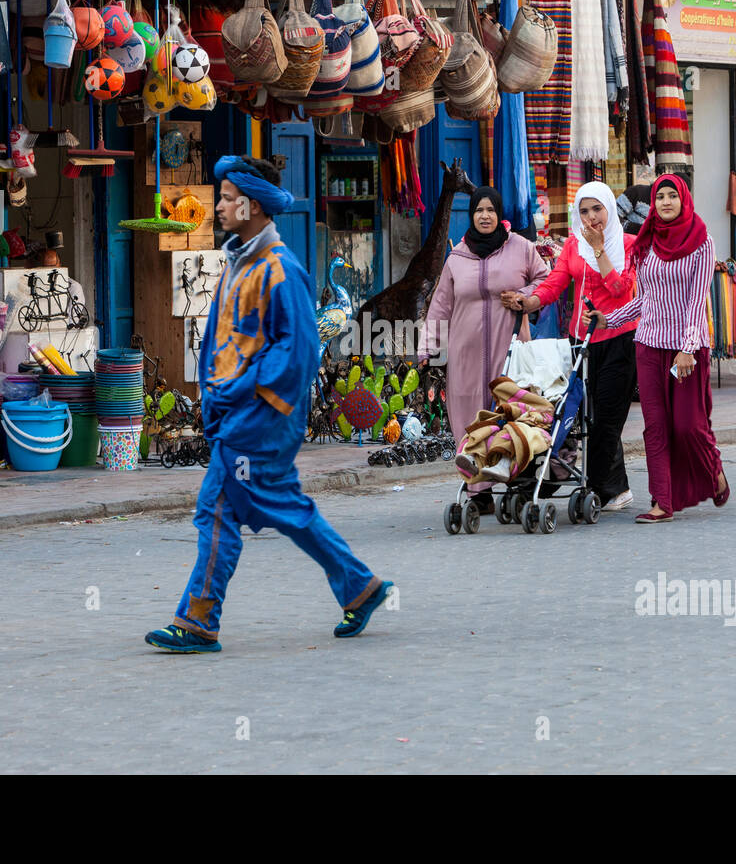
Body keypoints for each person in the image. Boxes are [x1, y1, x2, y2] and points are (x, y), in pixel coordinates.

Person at [145, 155, 392, 653]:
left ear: (252, 206)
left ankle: (198, 621)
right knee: (283, 507)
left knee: (217, 510)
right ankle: (359, 586)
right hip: (240, 417)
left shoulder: (280, 270)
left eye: (228, 198)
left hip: (259, 421)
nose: (219, 207)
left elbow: (297, 353)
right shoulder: (240, 264)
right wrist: (215, 400)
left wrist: (241, 396)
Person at [595, 174, 728, 523]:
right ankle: (662, 502)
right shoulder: (647, 241)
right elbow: (644, 300)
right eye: (660, 197)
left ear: (683, 200)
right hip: (648, 345)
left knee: (688, 426)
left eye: (672, 196)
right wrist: (609, 319)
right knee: (655, 426)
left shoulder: (702, 242)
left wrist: (687, 348)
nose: (666, 202)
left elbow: (697, 301)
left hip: (687, 349)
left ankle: (713, 468)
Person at [503, 181, 638, 511]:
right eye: (584, 211)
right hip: (580, 342)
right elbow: (555, 283)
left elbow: (621, 290)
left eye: (597, 209)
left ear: (609, 210)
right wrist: (529, 302)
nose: (591, 217)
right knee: (578, 414)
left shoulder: (629, 245)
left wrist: (599, 249)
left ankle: (601, 487)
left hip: (619, 340)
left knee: (606, 417)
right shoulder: (574, 244)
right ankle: (611, 486)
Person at [418, 186, 550, 515]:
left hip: (510, 350)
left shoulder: (521, 248)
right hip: (465, 353)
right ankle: (479, 491)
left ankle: (516, 481)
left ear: (499, 214)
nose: (485, 216)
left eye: (491, 210)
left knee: (510, 413)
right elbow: (440, 306)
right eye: (479, 210)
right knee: (468, 415)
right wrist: (427, 348)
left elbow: (546, 280)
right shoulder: (458, 257)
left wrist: (523, 296)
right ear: (471, 215)